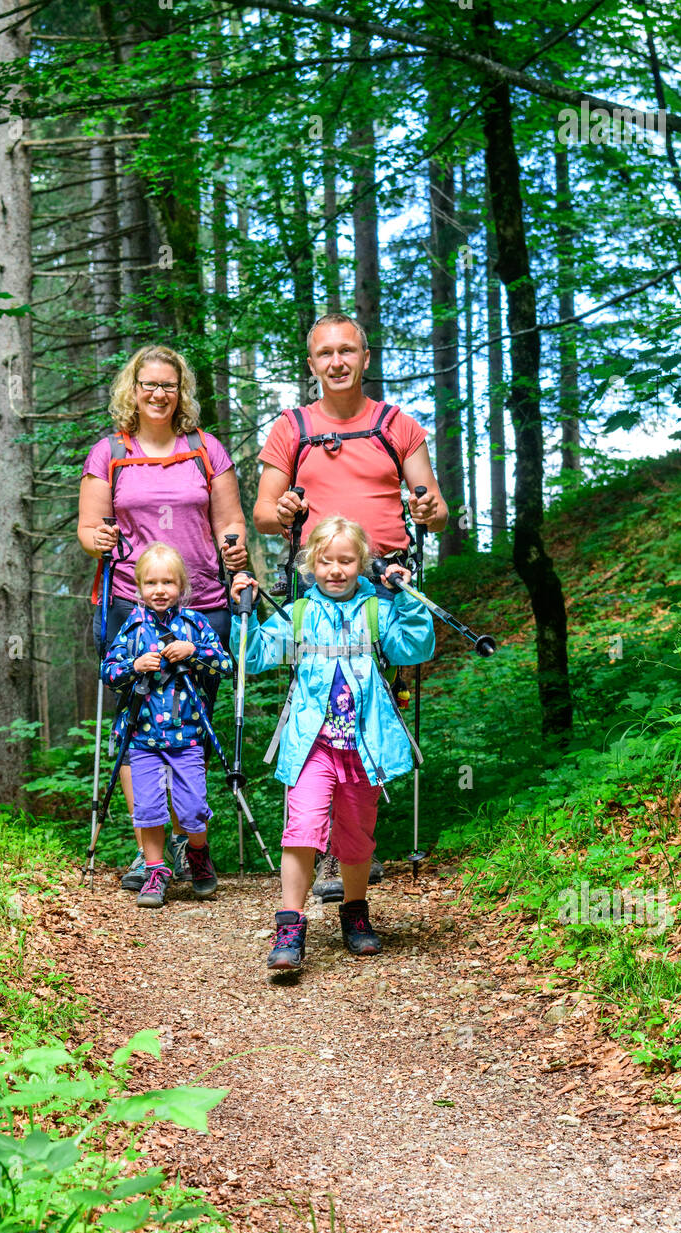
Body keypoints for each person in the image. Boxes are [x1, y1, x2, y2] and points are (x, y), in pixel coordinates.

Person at [252, 311, 449, 901]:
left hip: (385, 583)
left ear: (365, 357)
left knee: (373, 703)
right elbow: (263, 513)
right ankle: (332, 850)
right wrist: (282, 512)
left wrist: (430, 510)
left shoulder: (397, 425)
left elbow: (431, 503)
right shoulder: (290, 428)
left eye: (347, 351)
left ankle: (354, 842)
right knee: (323, 697)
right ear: (311, 365)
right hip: (321, 582)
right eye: (324, 354)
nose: (336, 362)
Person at [230, 516, 435, 975]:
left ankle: (355, 913)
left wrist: (406, 597)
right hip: (312, 745)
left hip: (365, 744)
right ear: (310, 564)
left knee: (356, 837)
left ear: (362, 563)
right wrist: (242, 609)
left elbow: (414, 649)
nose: (336, 570)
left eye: (346, 560)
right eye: (326, 561)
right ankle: (290, 925)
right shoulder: (299, 613)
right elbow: (255, 654)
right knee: (301, 828)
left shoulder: (376, 610)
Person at [78, 344, 248, 889]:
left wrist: (238, 562)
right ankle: (148, 851)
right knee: (135, 726)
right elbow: (88, 530)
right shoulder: (109, 452)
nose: (158, 393)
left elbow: (232, 524)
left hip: (201, 602)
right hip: (129, 598)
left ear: (182, 392)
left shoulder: (205, 449)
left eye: (168, 385)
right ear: (132, 389)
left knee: (190, 723)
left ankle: (187, 839)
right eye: (148, 384)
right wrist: (96, 538)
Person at [101, 543, 232, 908]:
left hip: (187, 736)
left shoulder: (194, 624)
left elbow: (225, 664)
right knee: (148, 808)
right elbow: (108, 672)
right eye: (151, 583)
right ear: (139, 587)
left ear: (182, 586)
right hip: (142, 737)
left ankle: (198, 852)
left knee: (191, 808)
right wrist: (134, 666)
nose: (160, 590)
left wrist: (195, 652)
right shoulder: (132, 627)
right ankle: (156, 870)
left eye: (168, 582)